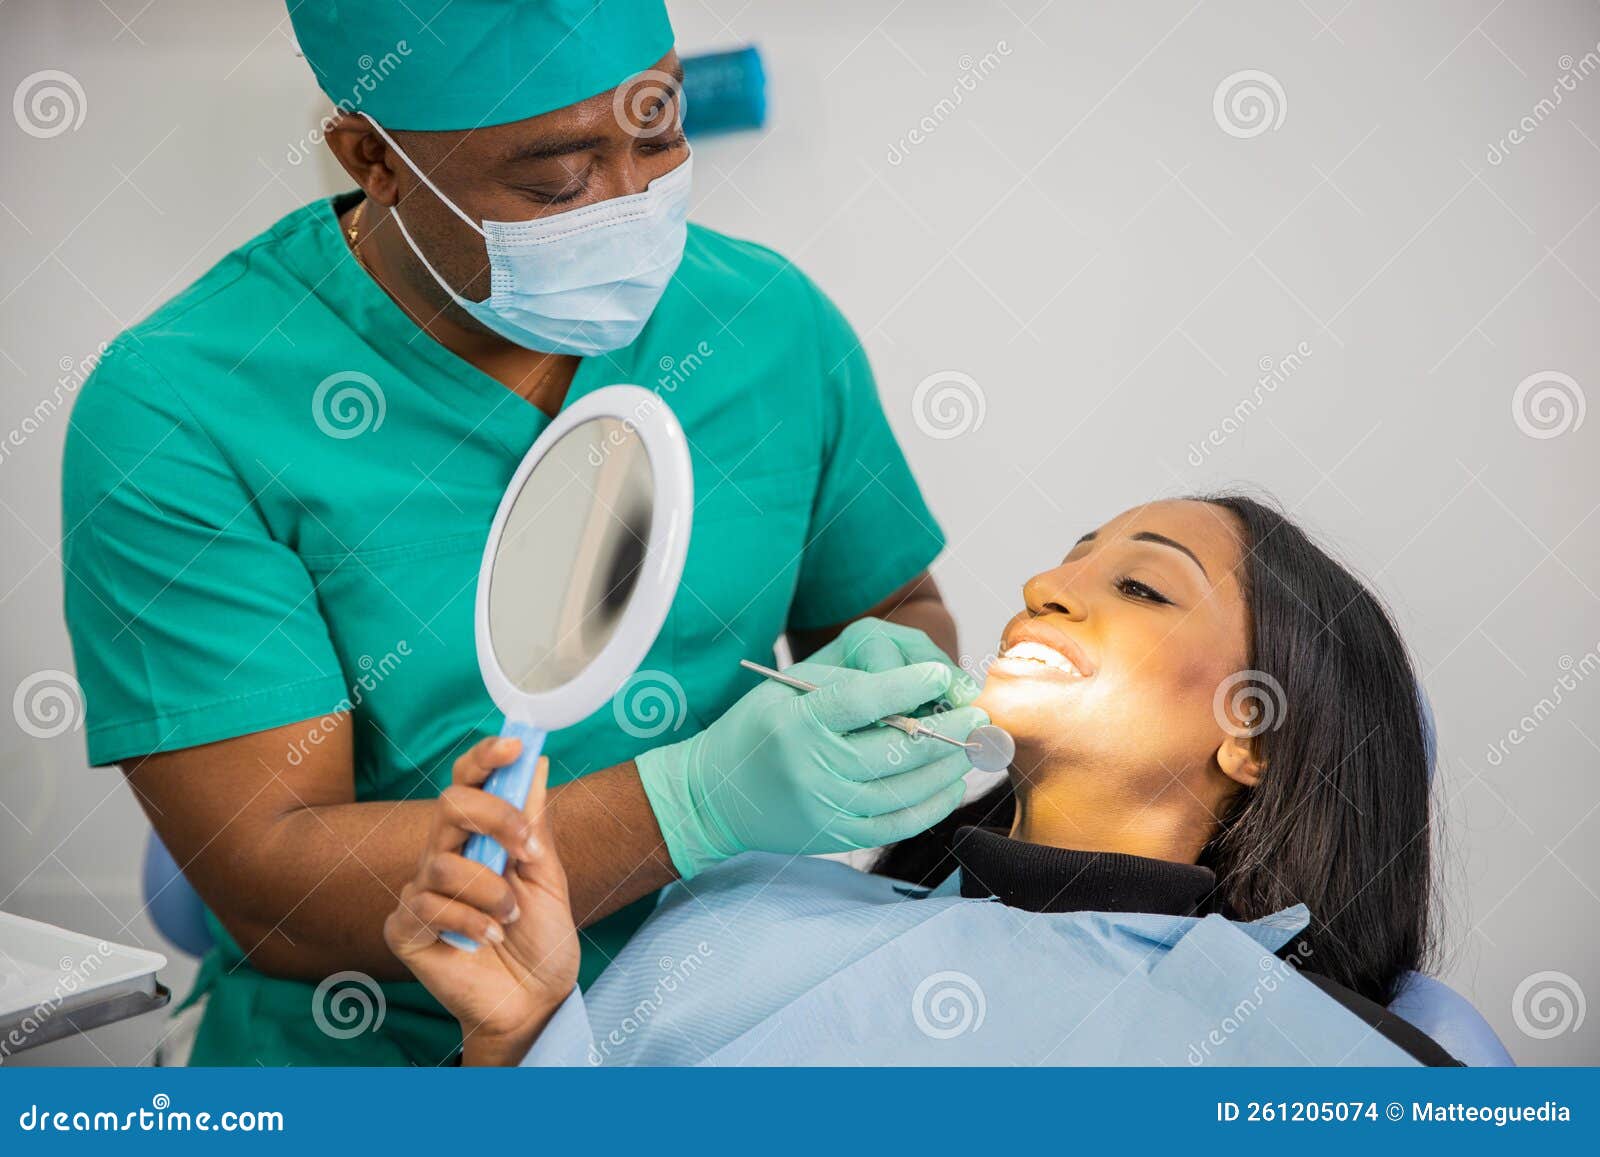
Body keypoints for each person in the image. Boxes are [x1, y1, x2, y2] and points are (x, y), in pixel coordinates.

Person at [59, 0, 981, 1066]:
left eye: (660, 129)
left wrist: (904, 681)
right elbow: (281, 886)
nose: (632, 204)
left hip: (735, 1017)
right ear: (376, 157)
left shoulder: (767, 320)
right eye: (556, 180)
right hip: (379, 1050)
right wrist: (691, 802)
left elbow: (889, 606)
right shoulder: (184, 406)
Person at [386, 495, 1459, 1066]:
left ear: (1255, 735)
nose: (1045, 584)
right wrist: (521, 1032)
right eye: (1067, 556)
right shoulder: (744, 908)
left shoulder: (1328, 1052)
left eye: (1138, 583)